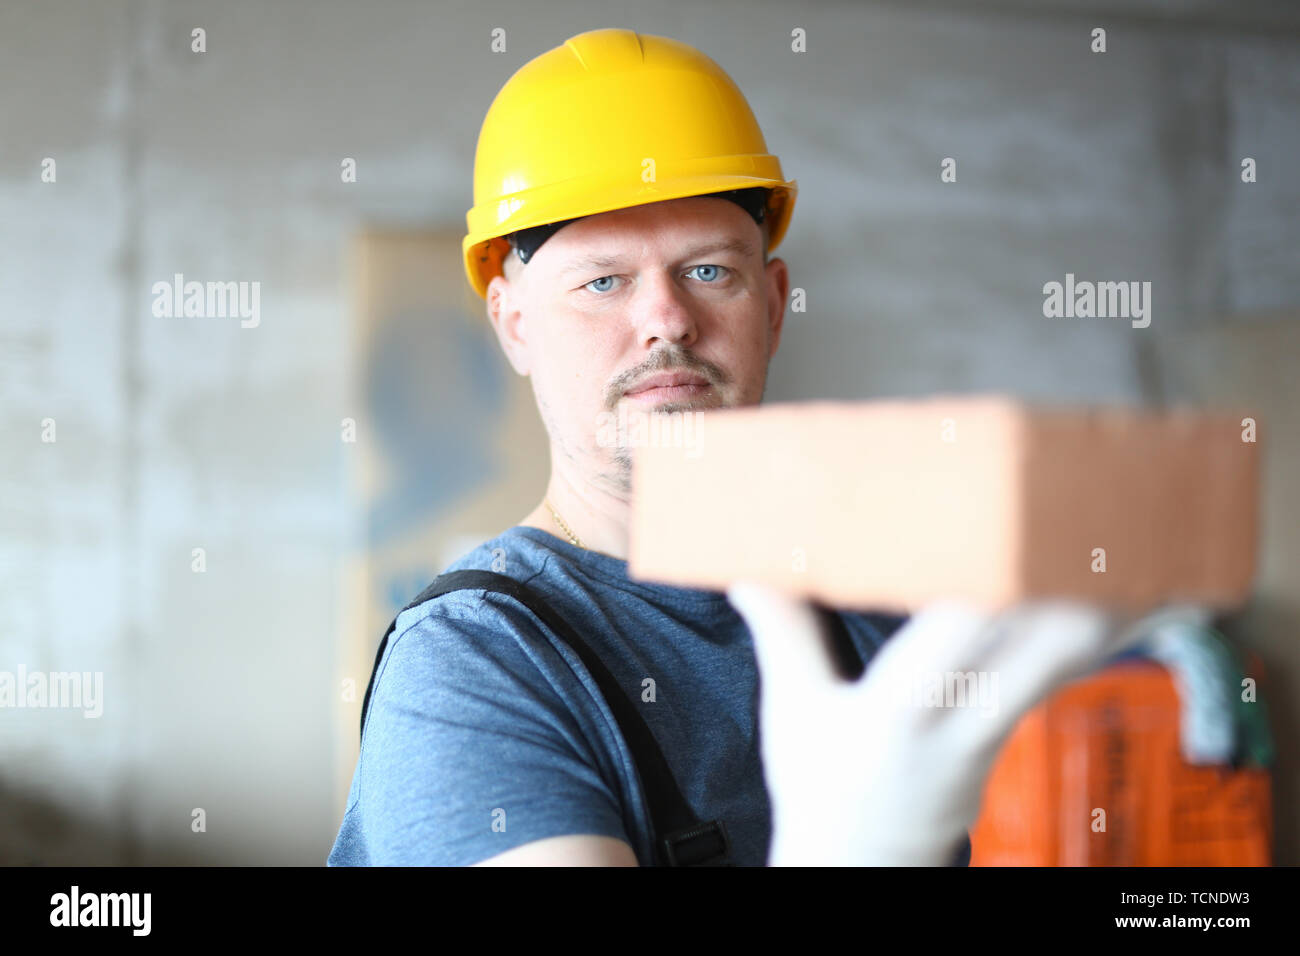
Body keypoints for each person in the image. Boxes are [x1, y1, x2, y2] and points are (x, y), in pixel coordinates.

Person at [327, 27, 1137, 867]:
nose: (668, 319)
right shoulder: (470, 666)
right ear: (515, 323)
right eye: (604, 281)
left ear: (775, 304)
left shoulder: (866, 613)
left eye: (709, 271)